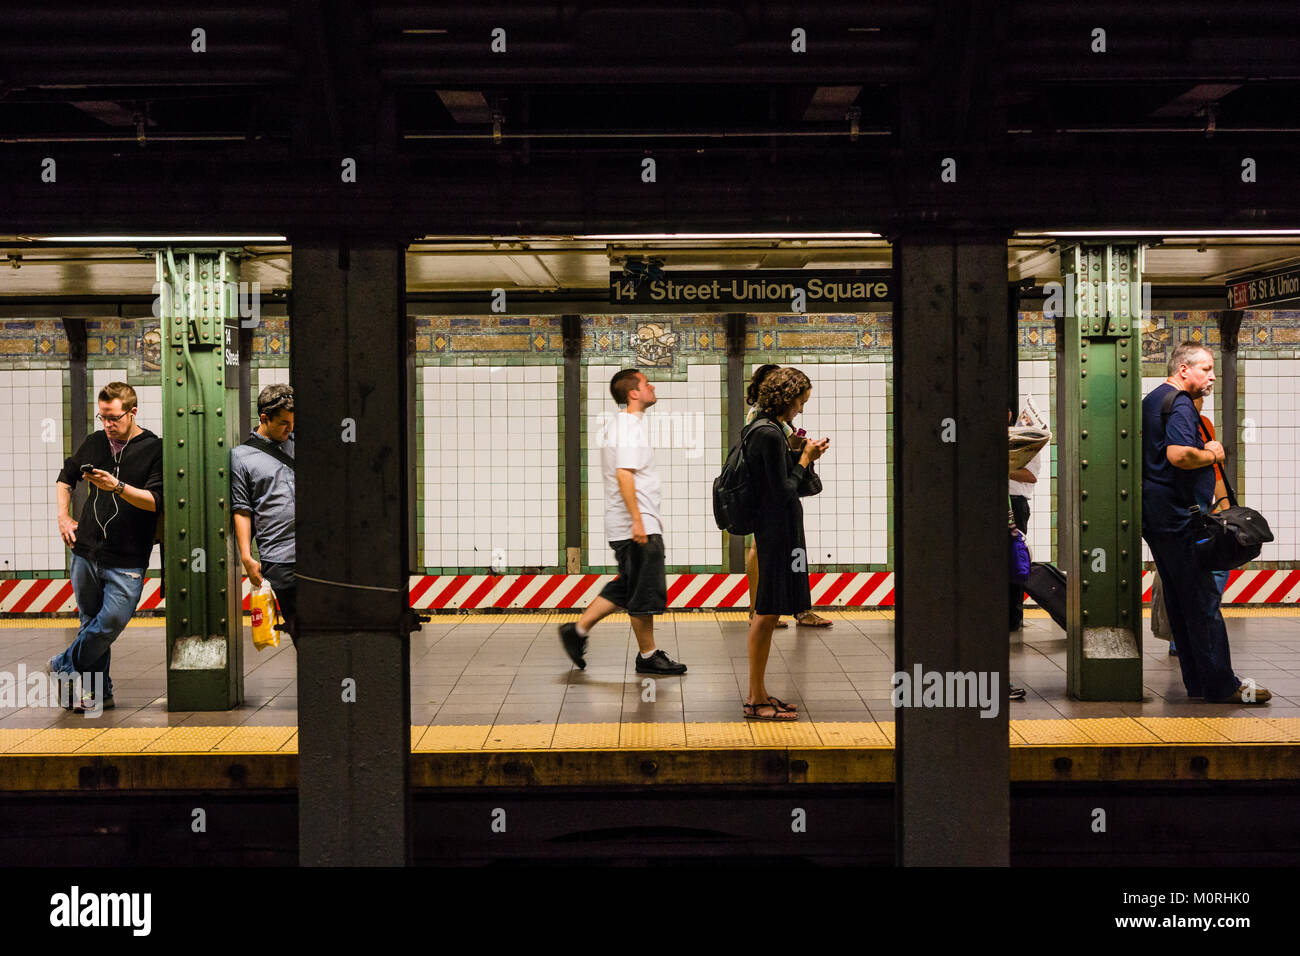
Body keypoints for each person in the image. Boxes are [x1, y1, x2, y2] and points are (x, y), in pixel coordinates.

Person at [1142, 343, 1269, 704]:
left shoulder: (1152, 401)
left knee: (1183, 604)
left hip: (1160, 518)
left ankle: (1198, 682)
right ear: (1183, 370)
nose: (1212, 376)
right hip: (1181, 519)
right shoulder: (1179, 403)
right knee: (1203, 603)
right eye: (1206, 368)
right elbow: (1179, 455)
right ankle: (1220, 685)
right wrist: (1211, 453)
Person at [558, 369, 687, 675]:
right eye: (646, 384)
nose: (652, 387)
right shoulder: (629, 427)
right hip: (636, 526)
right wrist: (638, 521)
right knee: (644, 590)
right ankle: (648, 655)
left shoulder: (625, 426)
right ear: (633, 393)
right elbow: (624, 475)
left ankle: (576, 631)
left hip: (628, 524)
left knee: (629, 585)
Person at [48, 382, 164, 713]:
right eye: (103, 417)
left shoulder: (153, 448)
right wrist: (62, 517)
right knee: (89, 622)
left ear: (132, 412)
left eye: (113, 418)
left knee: (111, 621)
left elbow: (154, 501)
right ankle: (100, 692)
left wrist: (119, 487)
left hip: (127, 555)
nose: (107, 425)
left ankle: (62, 663)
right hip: (85, 551)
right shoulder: (96, 442)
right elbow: (65, 477)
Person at [743, 368, 829, 720]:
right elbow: (782, 492)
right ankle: (754, 698)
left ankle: (761, 692)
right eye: (799, 402)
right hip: (776, 530)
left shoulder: (768, 429)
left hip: (779, 529)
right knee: (765, 615)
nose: (801, 410)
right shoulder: (768, 433)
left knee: (771, 611)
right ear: (785, 397)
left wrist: (802, 457)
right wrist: (806, 459)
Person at [231, 384, 298, 642]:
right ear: (264, 418)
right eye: (283, 424)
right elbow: (242, 509)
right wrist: (247, 557)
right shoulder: (241, 457)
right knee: (300, 628)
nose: (289, 429)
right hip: (279, 557)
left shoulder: (297, 444)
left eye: (292, 423)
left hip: (315, 552)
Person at [1166, 393, 1230, 656]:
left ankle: (1196, 630)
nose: (1196, 405)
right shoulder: (1168, 428)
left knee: (1215, 569)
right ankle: (1183, 637)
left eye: (1199, 400)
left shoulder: (1205, 425)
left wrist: (1227, 509)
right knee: (1188, 576)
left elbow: (1216, 472)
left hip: (1205, 513)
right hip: (1178, 513)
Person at [1008, 406, 1041, 631]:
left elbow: (1031, 477)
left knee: (1014, 559)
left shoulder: (1025, 441)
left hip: (1015, 503)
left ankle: (1013, 616)